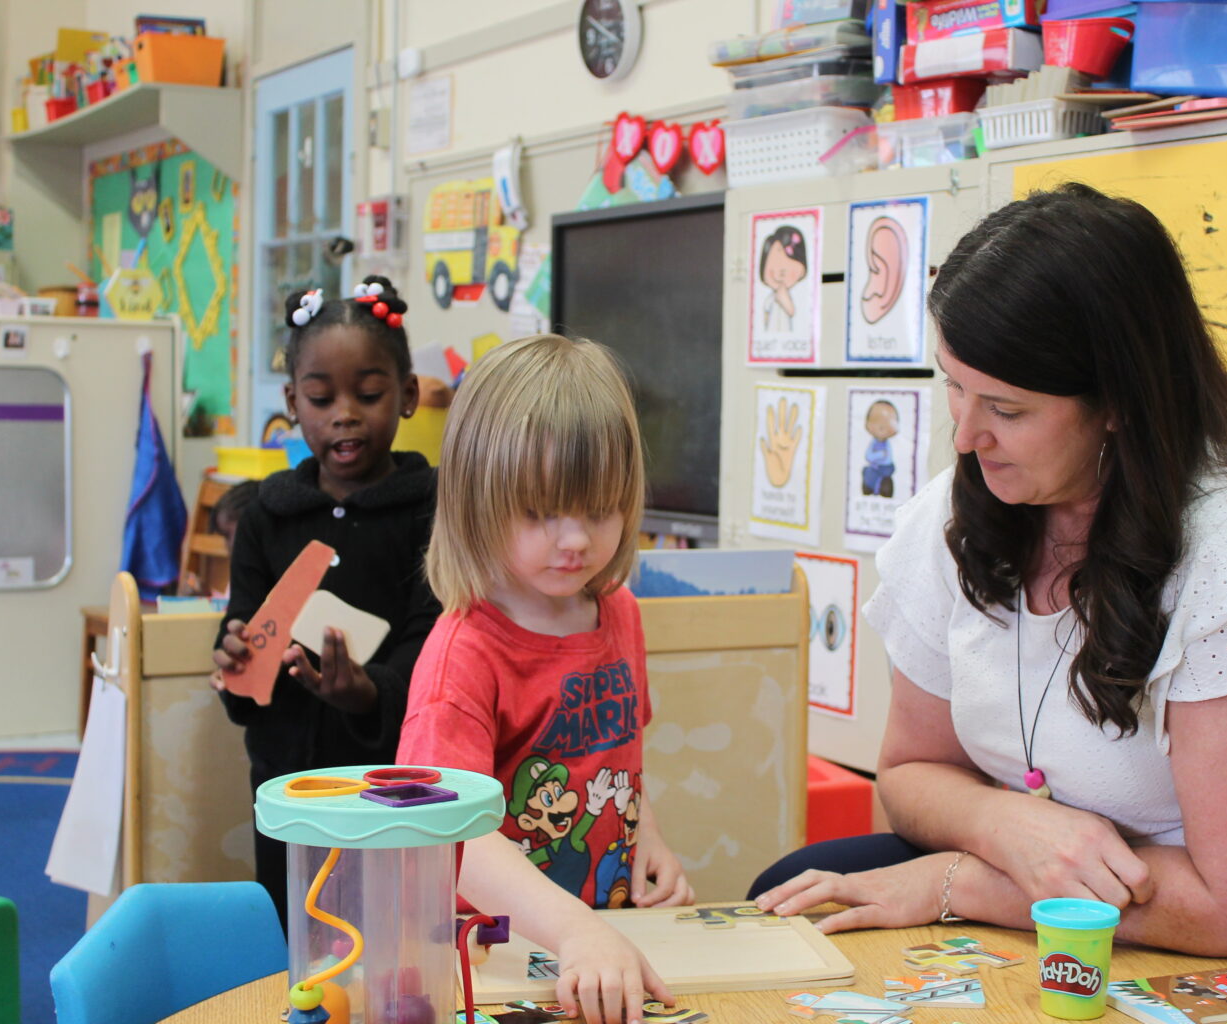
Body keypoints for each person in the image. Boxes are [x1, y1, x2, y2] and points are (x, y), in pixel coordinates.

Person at [751, 183, 1227, 981]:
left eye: (1007, 410)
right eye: (953, 385)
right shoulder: (957, 512)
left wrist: (962, 880)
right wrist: (1005, 824)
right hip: (1090, 921)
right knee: (791, 891)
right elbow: (911, 772)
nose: (967, 434)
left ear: (1117, 401)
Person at [397, 334, 694, 1024]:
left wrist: (646, 837)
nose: (576, 541)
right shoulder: (461, 656)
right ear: (478, 501)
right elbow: (450, 840)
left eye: (599, 509)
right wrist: (576, 931)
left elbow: (616, 766)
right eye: (540, 512)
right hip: (485, 963)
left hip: (596, 945)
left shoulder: (617, 612)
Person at [211, 276, 440, 928]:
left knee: (393, 940)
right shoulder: (267, 518)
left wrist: (370, 693)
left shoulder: (432, 510)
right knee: (299, 943)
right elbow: (248, 632)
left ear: (407, 396)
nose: (344, 412)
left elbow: (434, 637)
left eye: (368, 394)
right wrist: (235, 659)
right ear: (292, 401)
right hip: (289, 785)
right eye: (320, 396)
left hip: (393, 785)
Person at [760, 225, 809, 333]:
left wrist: (782, 296)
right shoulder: (771, 297)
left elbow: (791, 311)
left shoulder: (788, 295)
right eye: (774, 268)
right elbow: (766, 313)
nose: (780, 272)